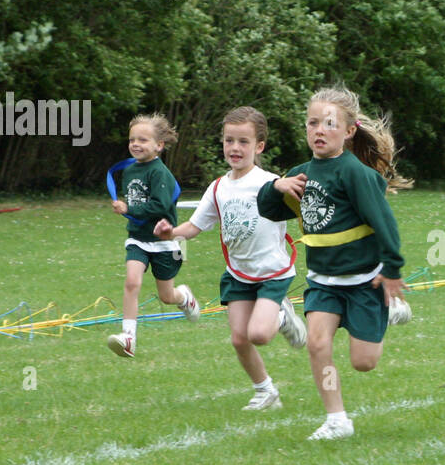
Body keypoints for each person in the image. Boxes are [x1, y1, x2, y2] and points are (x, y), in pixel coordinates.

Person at [256, 86, 407, 440]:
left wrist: (392, 270)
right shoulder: (301, 173)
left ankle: (391, 307)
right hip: (323, 282)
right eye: (312, 123)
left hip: (364, 283)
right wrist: (276, 186)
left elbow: (385, 223)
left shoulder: (356, 174)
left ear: (349, 131)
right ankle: (337, 419)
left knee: (363, 362)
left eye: (328, 123)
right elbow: (268, 209)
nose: (319, 130)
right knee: (317, 344)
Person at [154, 107, 307, 411]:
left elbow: (290, 198)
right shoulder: (218, 188)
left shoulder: (270, 181)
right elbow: (194, 227)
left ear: (259, 146)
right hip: (238, 274)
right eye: (229, 141)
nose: (235, 148)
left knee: (259, 335)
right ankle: (266, 392)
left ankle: (282, 314)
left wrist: (286, 188)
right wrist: (171, 232)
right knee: (240, 339)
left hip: (271, 273)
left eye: (243, 142)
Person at [107, 113, 199, 358]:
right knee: (131, 282)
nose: (136, 144)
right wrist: (125, 207)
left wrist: (129, 209)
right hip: (137, 239)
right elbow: (136, 202)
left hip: (163, 243)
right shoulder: (129, 170)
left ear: (159, 145)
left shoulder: (159, 173)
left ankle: (185, 297)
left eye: (143, 140)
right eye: (132, 139)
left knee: (167, 296)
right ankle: (128, 338)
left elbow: (159, 206)